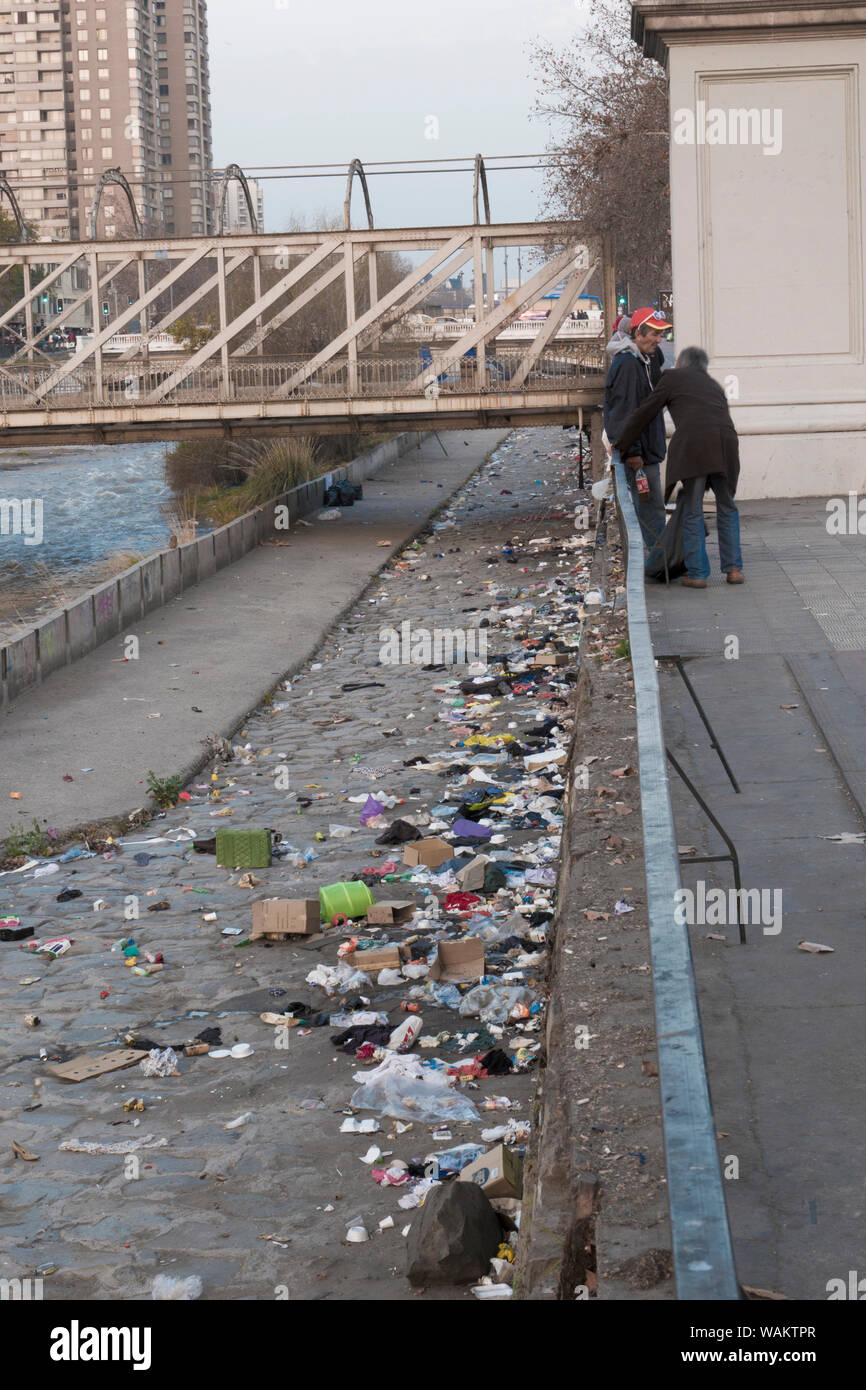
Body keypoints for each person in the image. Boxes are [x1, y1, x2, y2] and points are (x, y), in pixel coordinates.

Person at [614, 345, 743, 587]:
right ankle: (734, 570)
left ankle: (698, 573)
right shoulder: (713, 385)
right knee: (727, 507)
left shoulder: (672, 378)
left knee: (693, 510)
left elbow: (645, 412)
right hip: (726, 446)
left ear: (681, 363)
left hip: (695, 448)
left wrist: (622, 444)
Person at [603, 306, 672, 568]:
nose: (659, 339)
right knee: (651, 508)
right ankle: (660, 563)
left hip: (643, 449)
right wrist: (633, 452)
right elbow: (626, 411)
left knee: (650, 506)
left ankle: (660, 560)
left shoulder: (638, 361)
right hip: (639, 454)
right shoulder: (630, 365)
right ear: (638, 332)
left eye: (660, 334)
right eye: (654, 333)